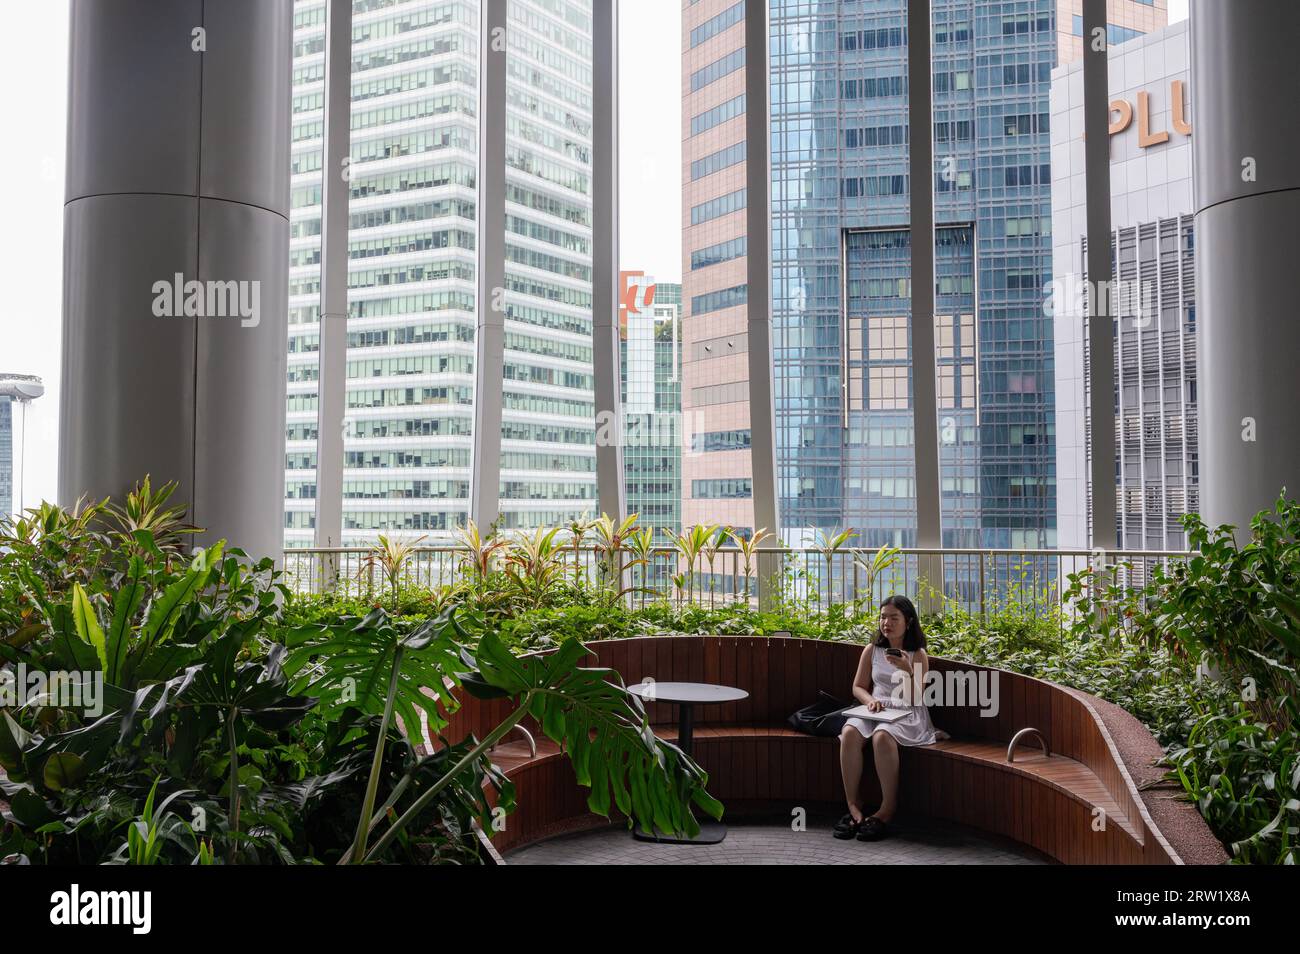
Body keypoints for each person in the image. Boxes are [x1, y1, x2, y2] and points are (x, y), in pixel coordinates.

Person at [833, 595, 943, 841]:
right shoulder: (872, 650)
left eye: (894, 618)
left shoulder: (918, 654)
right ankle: (853, 804)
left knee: (883, 736)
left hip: (908, 711)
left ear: (909, 621)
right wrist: (870, 700)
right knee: (849, 732)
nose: (887, 623)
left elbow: (916, 697)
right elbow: (858, 687)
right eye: (883, 617)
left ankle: (887, 809)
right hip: (876, 707)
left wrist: (906, 668)